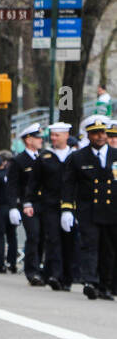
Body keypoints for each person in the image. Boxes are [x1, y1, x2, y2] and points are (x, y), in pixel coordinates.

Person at [61, 116, 117, 300]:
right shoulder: (78, 157)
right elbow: (68, 184)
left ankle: (106, 285)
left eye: (103, 133)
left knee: (108, 249)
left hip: (112, 210)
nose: (100, 137)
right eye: (95, 133)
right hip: (89, 209)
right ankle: (90, 282)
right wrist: (67, 209)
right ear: (88, 135)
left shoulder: (115, 155)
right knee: (90, 246)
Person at [25, 121, 74, 291]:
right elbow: (34, 182)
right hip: (50, 205)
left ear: (66, 136)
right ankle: (55, 275)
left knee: (69, 241)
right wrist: (28, 201)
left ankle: (67, 277)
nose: (53, 138)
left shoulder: (74, 156)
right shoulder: (45, 157)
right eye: (52, 135)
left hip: (71, 206)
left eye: (57, 135)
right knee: (53, 240)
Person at [7, 123, 44, 285]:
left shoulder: (43, 157)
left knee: (44, 237)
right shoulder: (18, 160)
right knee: (33, 235)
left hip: (44, 203)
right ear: (28, 140)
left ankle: (41, 268)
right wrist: (13, 207)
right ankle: (32, 270)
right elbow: (12, 186)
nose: (41, 140)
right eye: (37, 137)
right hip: (27, 204)